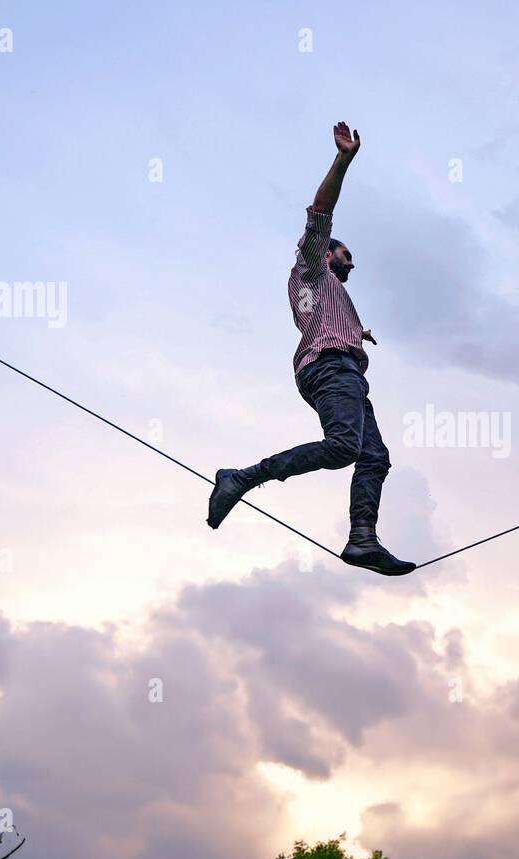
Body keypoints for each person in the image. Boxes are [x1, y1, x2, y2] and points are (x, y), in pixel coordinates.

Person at [207, 121, 415, 576]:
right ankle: (242, 477)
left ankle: (363, 539)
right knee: (343, 447)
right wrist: (343, 159)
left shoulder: (331, 291)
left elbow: (329, 317)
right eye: (345, 254)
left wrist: (358, 335)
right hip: (328, 368)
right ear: (326, 254)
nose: (351, 261)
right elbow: (321, 212)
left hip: (346, 373)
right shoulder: (311, 268)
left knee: (374, 457)